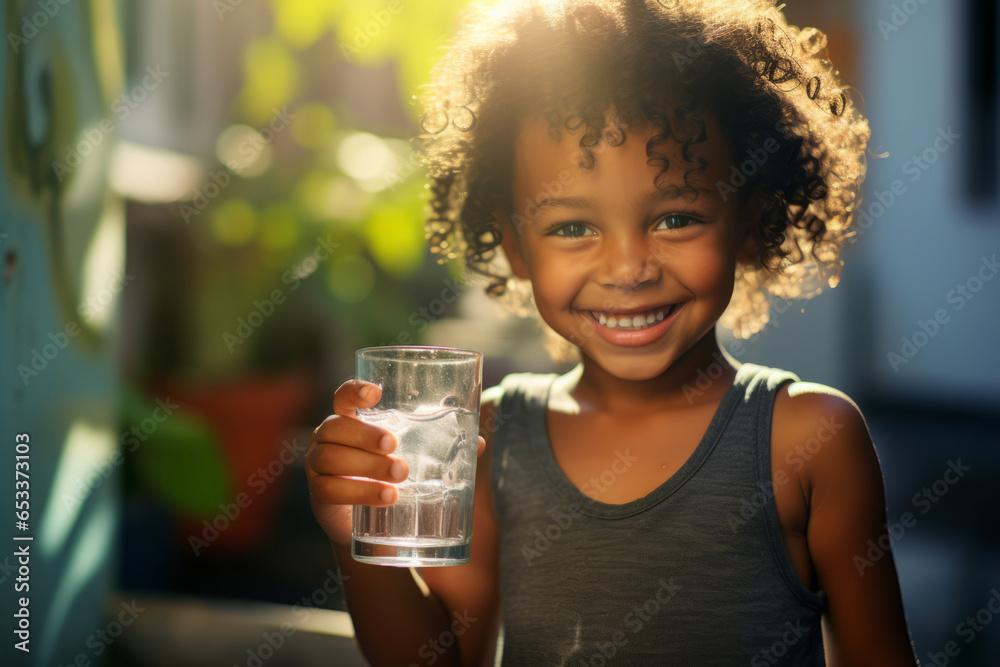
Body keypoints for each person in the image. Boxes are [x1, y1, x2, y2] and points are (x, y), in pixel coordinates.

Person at [306, 0, 919, 664]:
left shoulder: (813, 439)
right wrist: (358, 538)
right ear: (515, 247)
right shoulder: (486, 442)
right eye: (573, 227)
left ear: (749, 217)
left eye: (676, 217)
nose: (628, 268)